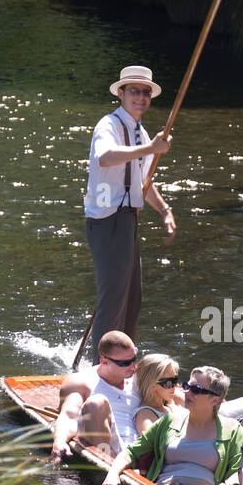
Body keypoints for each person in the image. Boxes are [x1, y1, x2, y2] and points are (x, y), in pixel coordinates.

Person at [84, 65, 176, 348]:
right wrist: (151, 149)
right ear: (121, 94)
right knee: (113, 299)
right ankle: (101, 368)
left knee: (132, 298)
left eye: (146, 92)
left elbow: (143, 183)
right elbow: (106, 157)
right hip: (107, 219)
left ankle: (123, 363)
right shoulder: (108, 125)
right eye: (134, 91)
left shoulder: (141, 132)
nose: (140, 97)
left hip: (127, 219)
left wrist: (164, 210)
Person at [97, 366, 243, 485]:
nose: (187, 392)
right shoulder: (170, 421)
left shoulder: (232, 430)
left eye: (196, 389)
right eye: (187, 386)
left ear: (215, 400)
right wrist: (112, 474)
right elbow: (131, 452)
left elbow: (235, 473)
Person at [51, 330, 139, 462]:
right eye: (125, 363)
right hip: (109, 449)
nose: (133, 366)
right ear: (104, 361)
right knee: (96, 403)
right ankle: (106, 466)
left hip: (141, 446)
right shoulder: (81, 382)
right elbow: (69, 416)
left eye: (134, 359)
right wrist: (59, 441)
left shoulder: (140, 379)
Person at [132, 353, 184, 435]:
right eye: (169, 382)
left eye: (175, 380)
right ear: (152, 385)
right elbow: (153, 445)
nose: (175, 386)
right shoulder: (145, 415)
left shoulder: (172, 400)